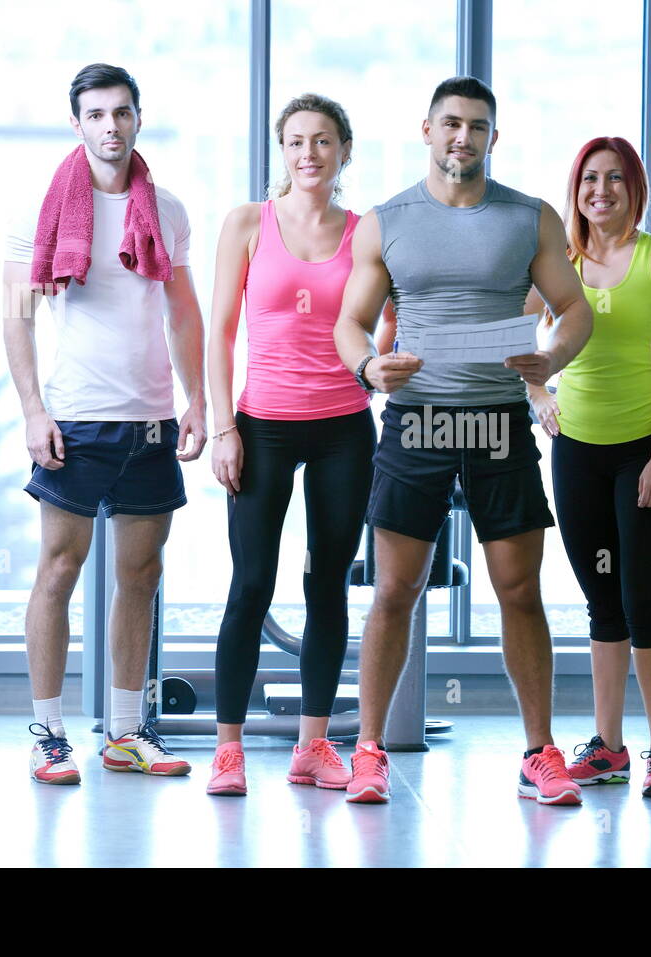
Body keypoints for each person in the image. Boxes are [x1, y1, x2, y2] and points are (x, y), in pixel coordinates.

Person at [333, 76, 593, 806]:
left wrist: (552, 358)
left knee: (519, 590)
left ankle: (539, 752)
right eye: (451, 123)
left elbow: (574, 309)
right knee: (395, 589)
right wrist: (368, 367)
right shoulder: (386, 221)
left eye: (477, 126)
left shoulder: (530, 217)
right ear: (427, 130)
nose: (462, 137)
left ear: (493, 137)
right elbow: (350, 322)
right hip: (416, 420)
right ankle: (369, 751)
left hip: (499, 421)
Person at [3, 63, 206, 785]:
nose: (110, 126)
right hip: (76, 417)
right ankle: (48, 733)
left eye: (121, 112)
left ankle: (125, 732)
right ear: (77, 123)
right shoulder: (43, 209)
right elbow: (17, 316)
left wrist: (198, 401)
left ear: (138, 118)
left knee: (141, 575)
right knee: (59, 569)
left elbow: (183, 313)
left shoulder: (168, 210)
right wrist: (33, 410)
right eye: (96, 114)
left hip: (149, 419)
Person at [205, 94, 378, 796]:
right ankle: (229, 749)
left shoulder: (365, 233)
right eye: (297, 141)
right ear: (282, 150)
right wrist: (223, 428)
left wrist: (379, 364)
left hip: (344, 427)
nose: (310, 153)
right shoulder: (248, 223)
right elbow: (219, 332)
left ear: (344, 152)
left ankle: (313, 745)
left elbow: (390, 319)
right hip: (263, 426)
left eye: (323, 141)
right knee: (251, 584)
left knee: (326, 586)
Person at [523, 137, 651, 798]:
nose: (601, 191)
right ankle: (609, 748)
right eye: (590, 179)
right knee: (602, 603)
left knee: (642, 602)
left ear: (634, 189)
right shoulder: (559, 264)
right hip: (576, 453)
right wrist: (538, 395)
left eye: (615, 178)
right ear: (577, 191)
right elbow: (518, 335)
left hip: (643, 453)